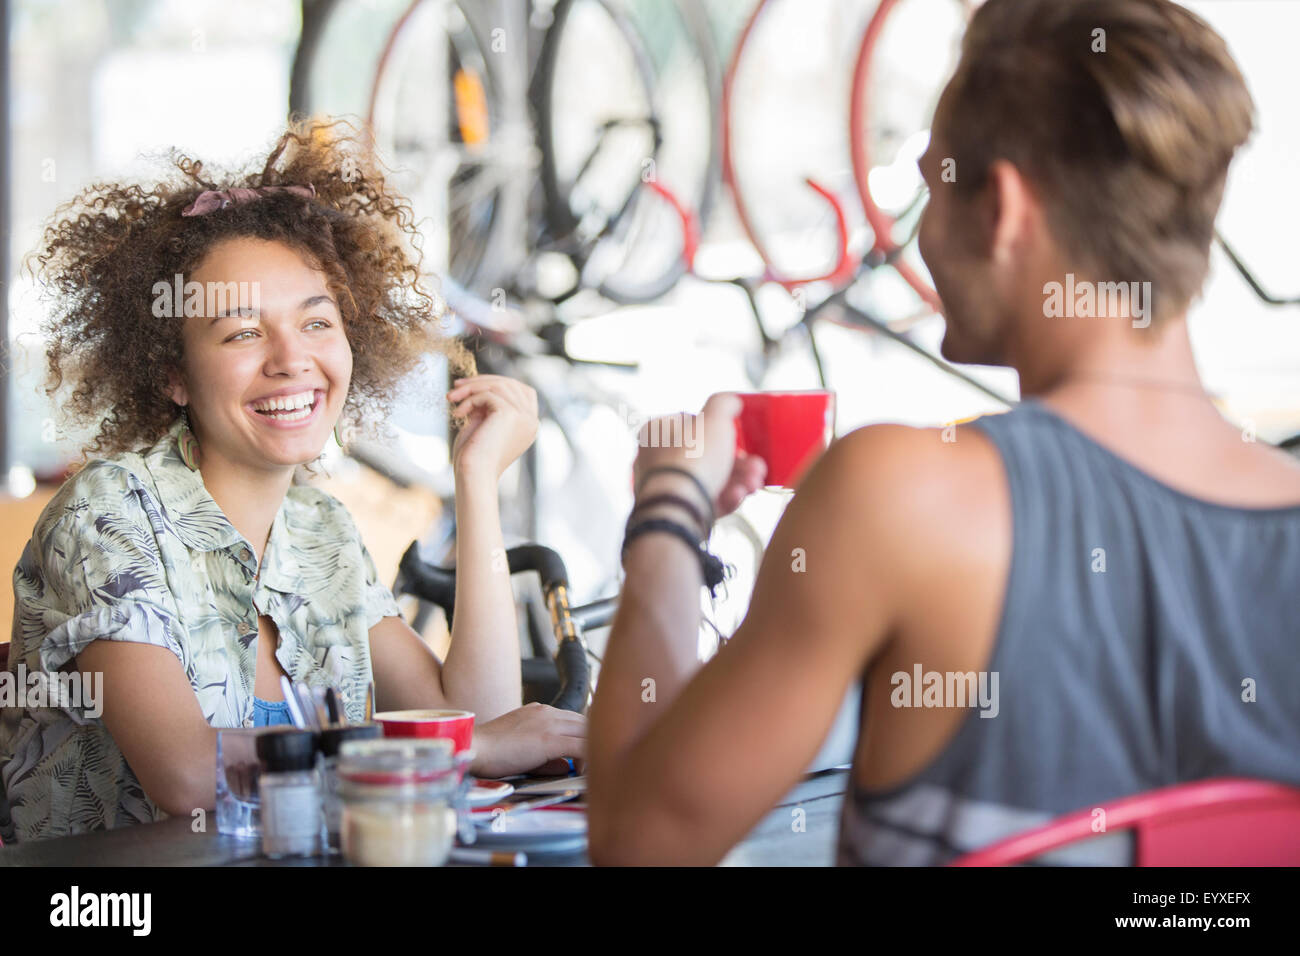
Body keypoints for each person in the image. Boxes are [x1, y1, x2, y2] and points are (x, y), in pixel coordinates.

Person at [587, 0, 1300, 865]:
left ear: (1000, 208)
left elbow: (634, 839)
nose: (920, 233)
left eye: (932, 186)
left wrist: (667, 509)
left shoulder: (900, 495)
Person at [0, 120, 585, 843]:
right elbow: (186, 776)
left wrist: (477, 480)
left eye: (316, 322)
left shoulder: (320, 529)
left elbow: (470, 711)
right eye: (243, 333)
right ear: (174, 374)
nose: (290, 359)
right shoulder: (108, 514)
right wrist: (471, 747)